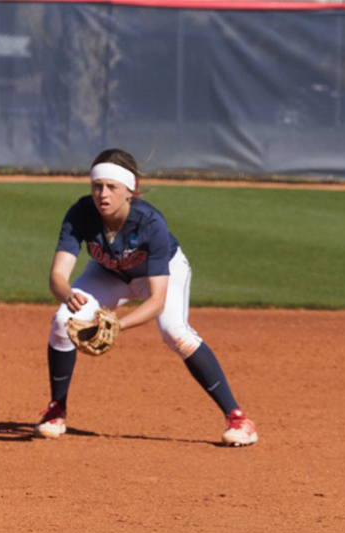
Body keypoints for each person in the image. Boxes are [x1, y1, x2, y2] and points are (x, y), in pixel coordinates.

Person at [37, 148, 259, 447]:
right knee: (63, 321)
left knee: (175, 332)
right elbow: (57, 276)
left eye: (112, 187)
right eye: (97, 186)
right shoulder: (81, 213)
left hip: (162, 273)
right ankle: (56, 411)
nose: (103, 194)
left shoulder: (150, 223)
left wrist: (117, 325)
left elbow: (156, 300)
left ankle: (238, 419)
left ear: (131, 190)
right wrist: (67, 294)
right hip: (109, 273)